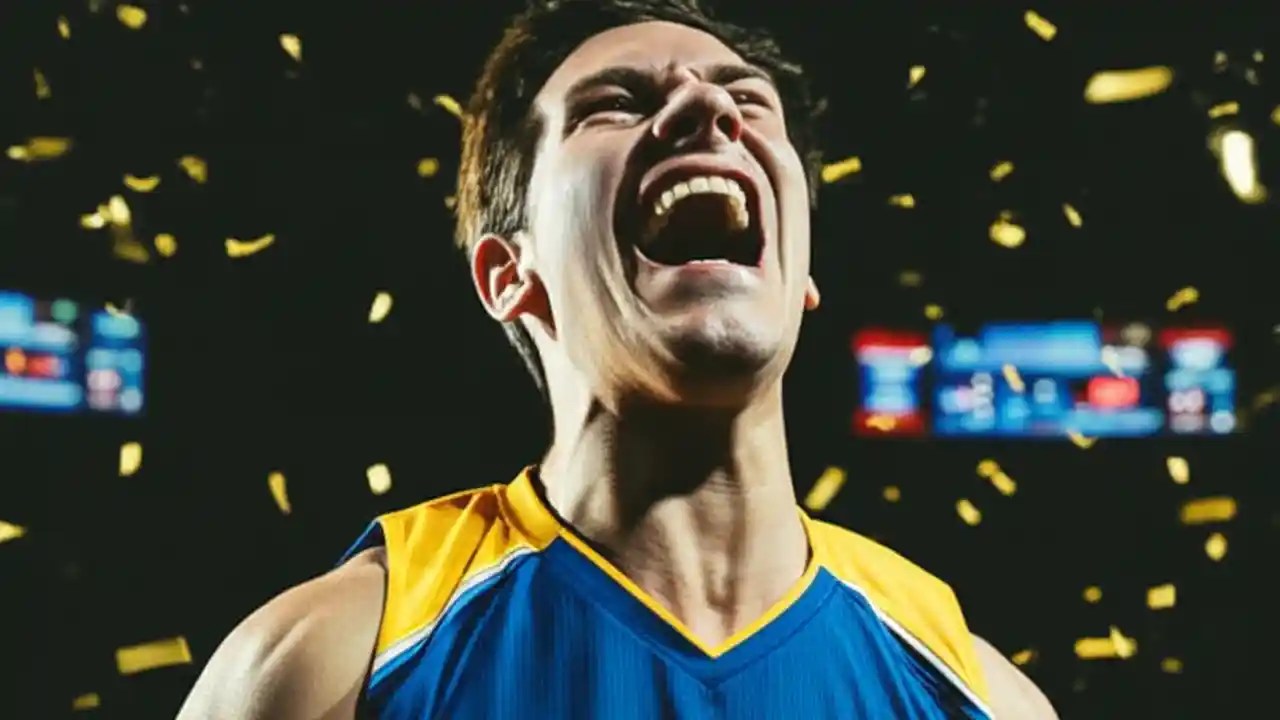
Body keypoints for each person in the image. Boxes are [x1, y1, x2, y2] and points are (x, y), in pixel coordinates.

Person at [179, 1, 1058, 718]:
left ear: (801, 275)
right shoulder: (326, 666)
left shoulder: (976, 695)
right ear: (508, 274)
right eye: (616, 103)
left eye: (748, 102)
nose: (705, 110)